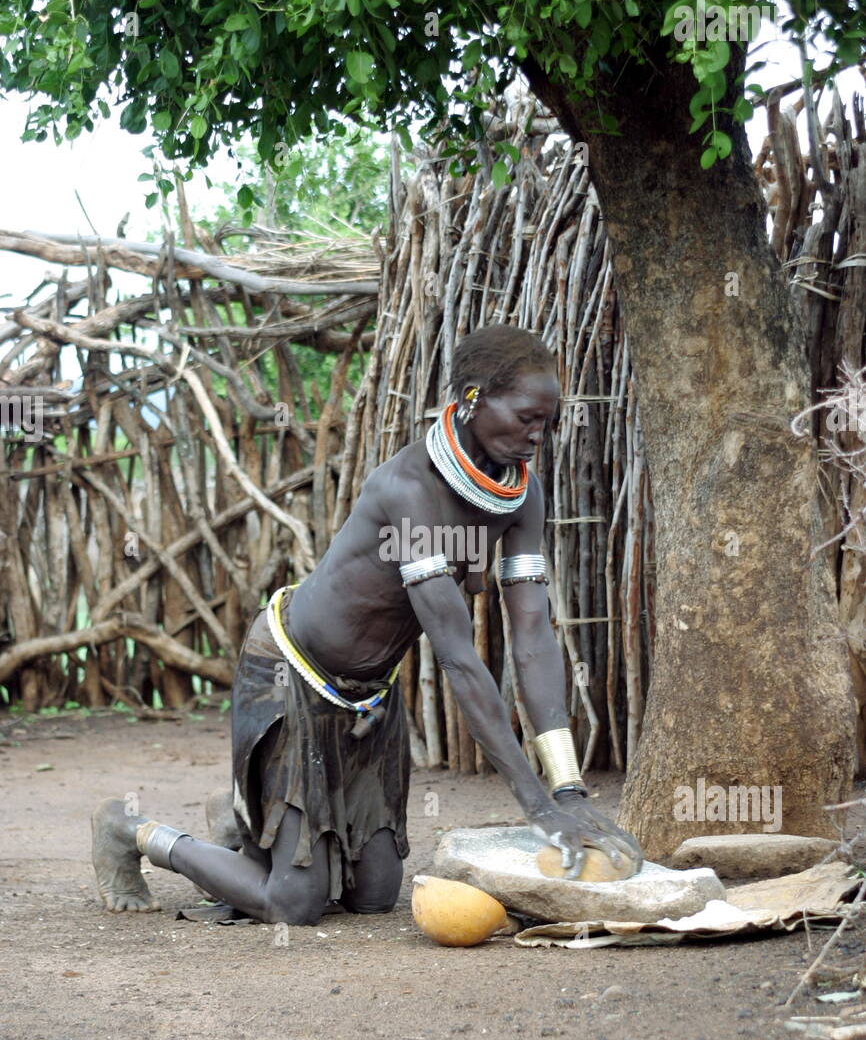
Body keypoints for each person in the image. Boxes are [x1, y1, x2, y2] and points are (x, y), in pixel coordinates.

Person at [92, 324, 641, 923]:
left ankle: (243, 823)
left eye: (549, 422)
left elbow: (532, 638)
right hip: (292, 677)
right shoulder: (409, 492)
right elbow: (457, 657)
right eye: (527, 418)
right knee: (296, 903)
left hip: (368, 697)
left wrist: (566, 788)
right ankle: (134, 831)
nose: (539, 436)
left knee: (374, 896)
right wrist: (535, 807)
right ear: (473, 398)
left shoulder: (519, 496)